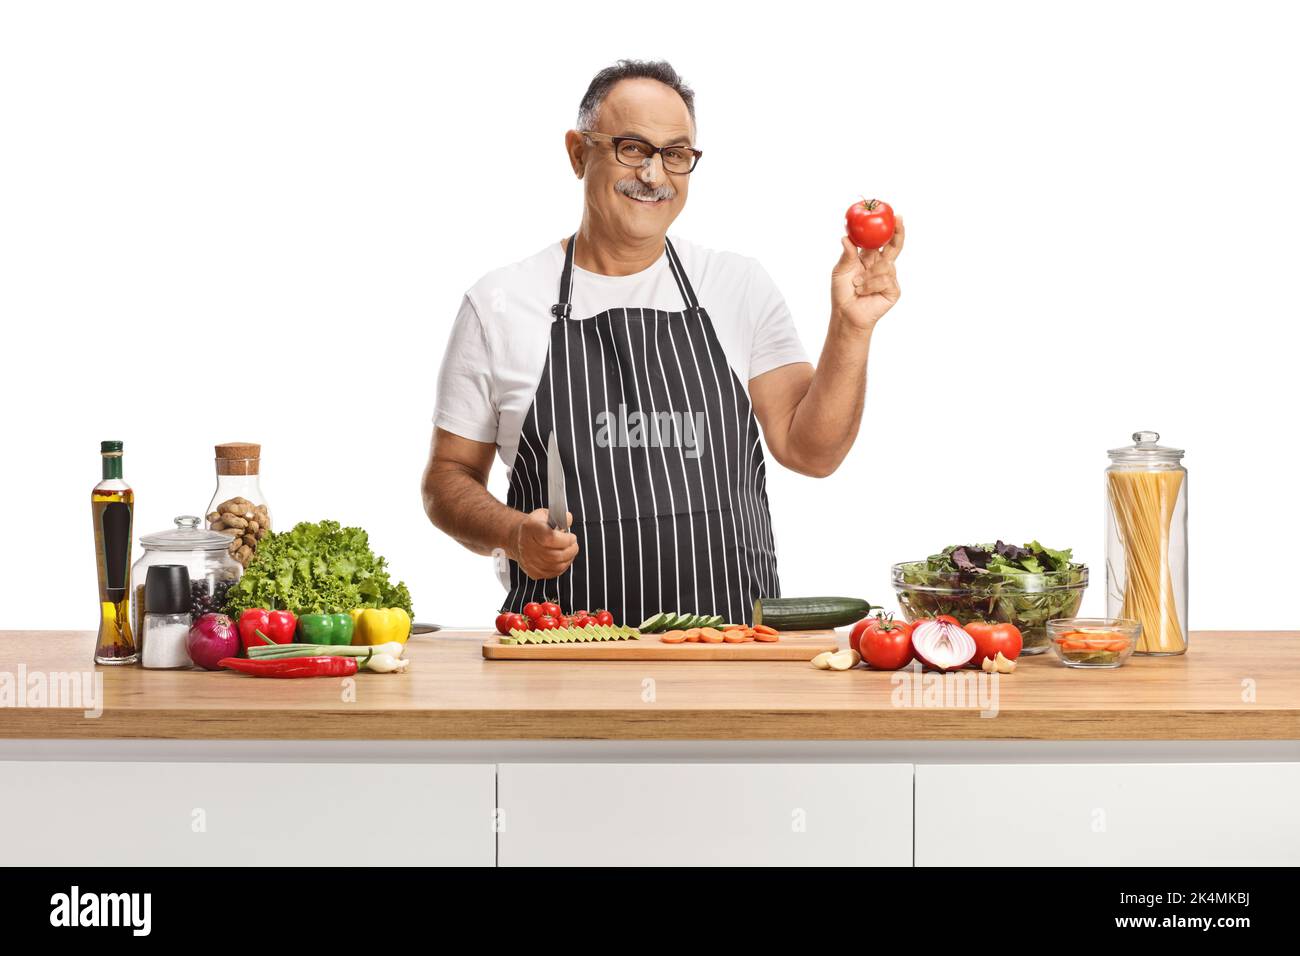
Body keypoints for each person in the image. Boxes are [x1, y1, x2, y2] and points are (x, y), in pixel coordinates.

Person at [423, 59, 905, 626]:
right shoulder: (499, 303)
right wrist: (510, 533)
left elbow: (813, 453)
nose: (654, 175)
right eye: (632, 148)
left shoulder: (738, 286)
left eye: (675, 154)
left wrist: (852, 326)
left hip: (730, 650)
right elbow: (446, 479)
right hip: (560, 656)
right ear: (579, 153)